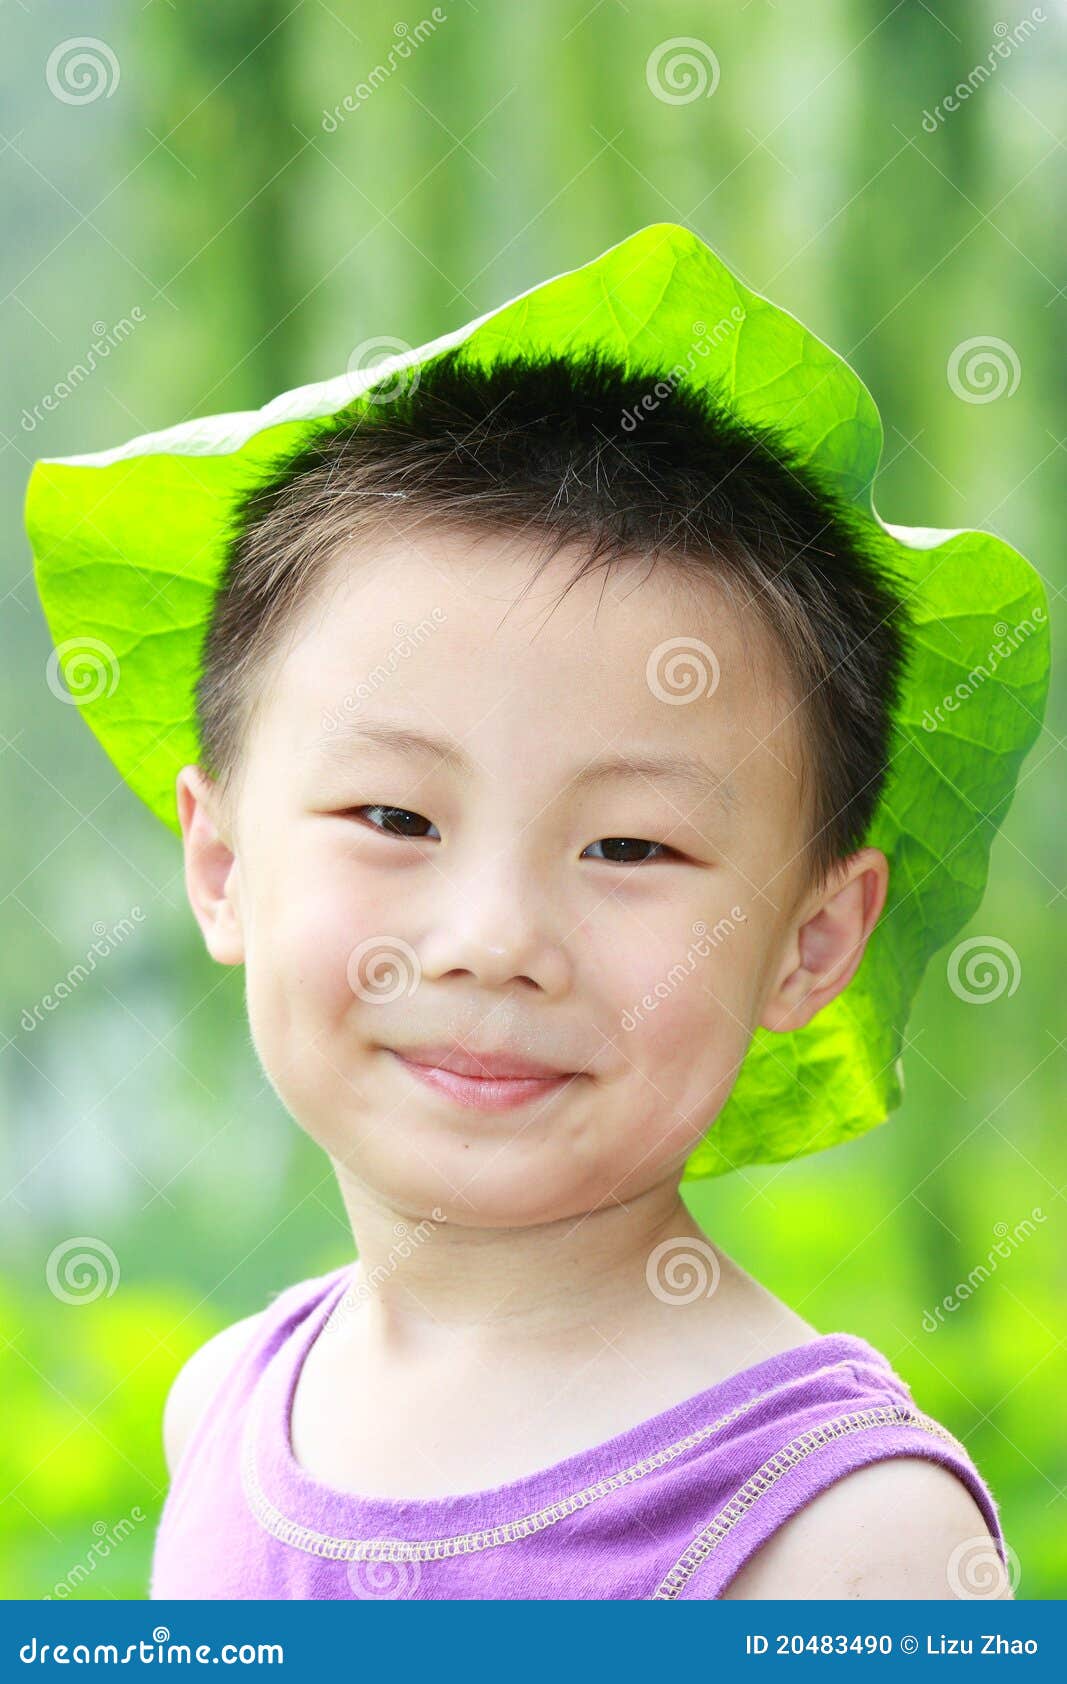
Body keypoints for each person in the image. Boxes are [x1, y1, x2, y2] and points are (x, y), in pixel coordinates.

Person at [25, 224, 1047, 1600]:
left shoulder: (847, 1539)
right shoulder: (227, 1403)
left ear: (814, 940)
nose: (492, 936)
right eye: (394, 817)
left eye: (629, 844)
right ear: (221, 866)